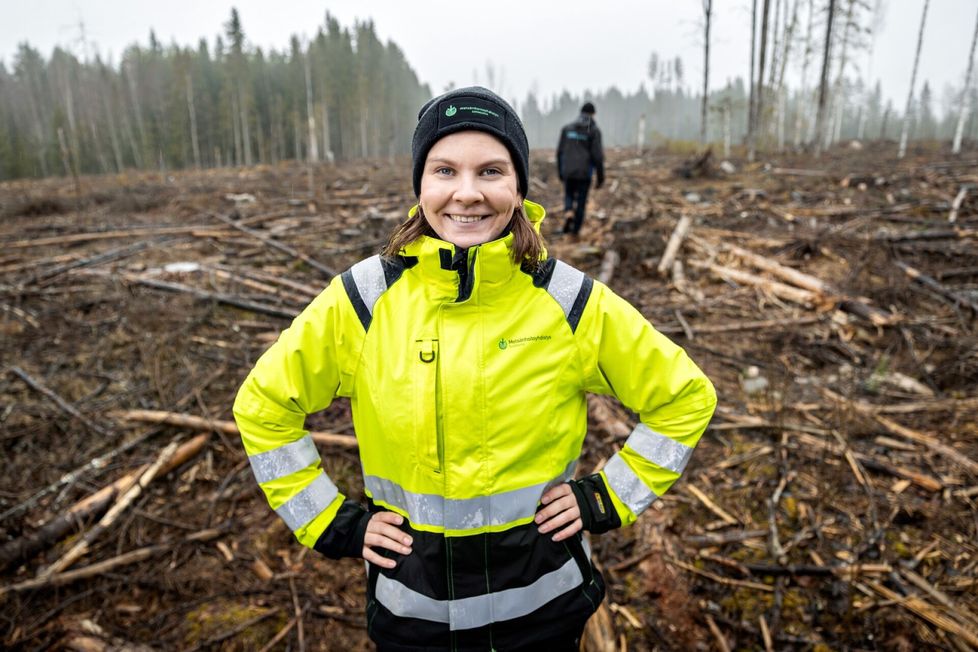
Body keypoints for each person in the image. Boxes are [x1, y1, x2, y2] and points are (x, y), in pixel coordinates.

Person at [233, 86, 716, 651]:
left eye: (490, 171)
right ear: (420, 184)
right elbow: (263, 406)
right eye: (444, 170)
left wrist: (607, 496)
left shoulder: (566, 301)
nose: (467, 194)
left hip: (545, 610)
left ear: (518, 185)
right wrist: (334, 523)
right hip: (414, 618)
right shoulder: (363, 302)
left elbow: (684, 397)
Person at [556, 102, 605, 237]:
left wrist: (561, 171)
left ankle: (568, 212)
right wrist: (601, 178)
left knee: (569, 195)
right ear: (593, 114)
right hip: (584, 173)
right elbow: (598, 156)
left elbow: (559, 152)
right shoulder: (594, 131)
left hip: (568, 171)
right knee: (581, 201)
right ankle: (575, 230)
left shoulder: (567, 128)